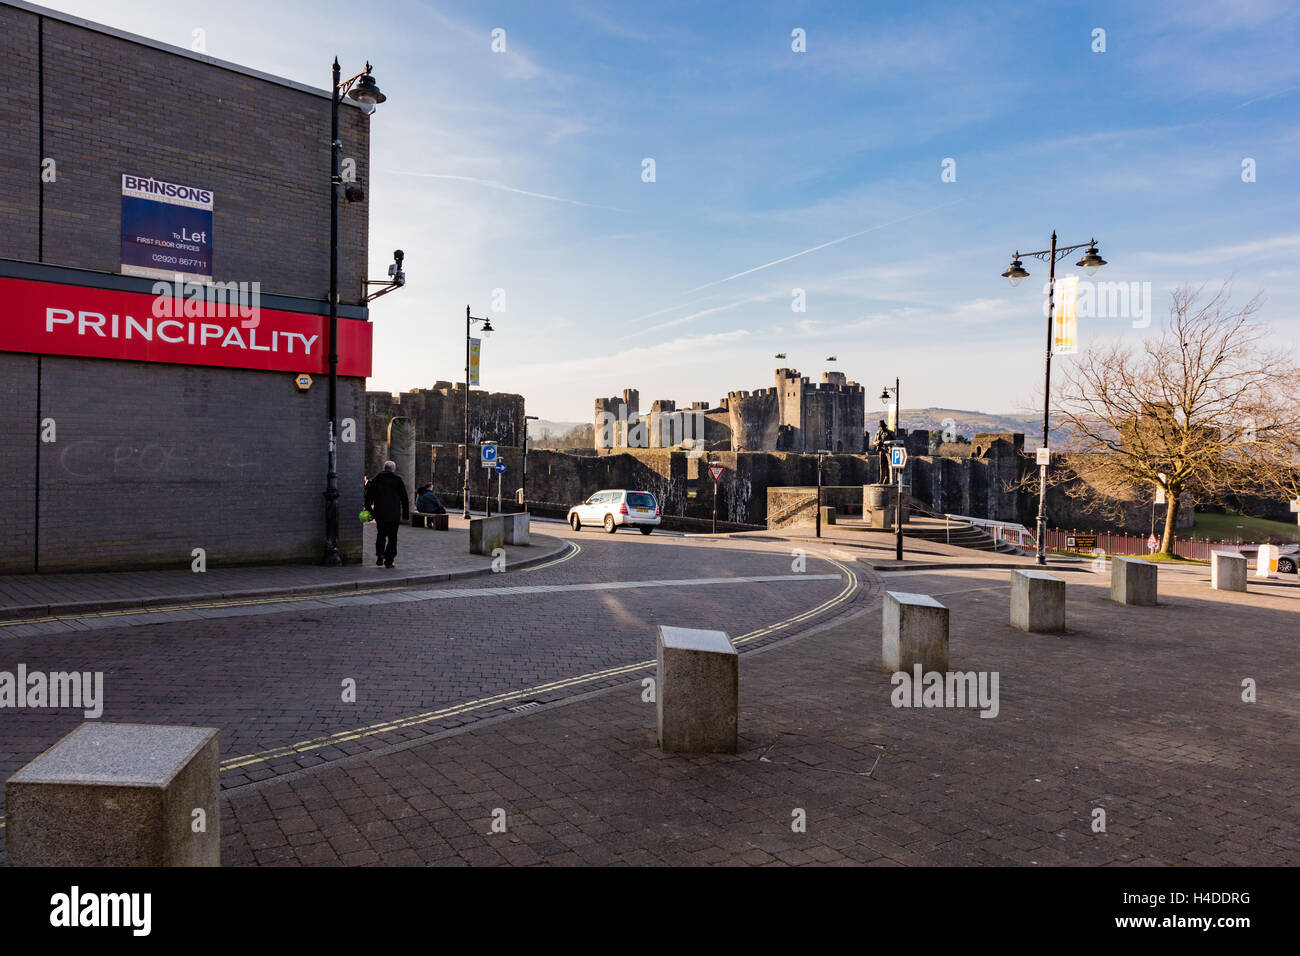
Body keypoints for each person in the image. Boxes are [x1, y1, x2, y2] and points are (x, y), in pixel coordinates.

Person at [364, 460, 410, 568]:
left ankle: (380, 555)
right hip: (394, 514)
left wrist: (369, 511)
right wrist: (405, 514)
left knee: (381, 535)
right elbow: (404, 498)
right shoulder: (398, 480)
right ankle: (389, 560)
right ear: (393, 469)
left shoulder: (376, 480)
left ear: (384, 468)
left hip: (380, 513)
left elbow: (368, 498)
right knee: (392, 538)